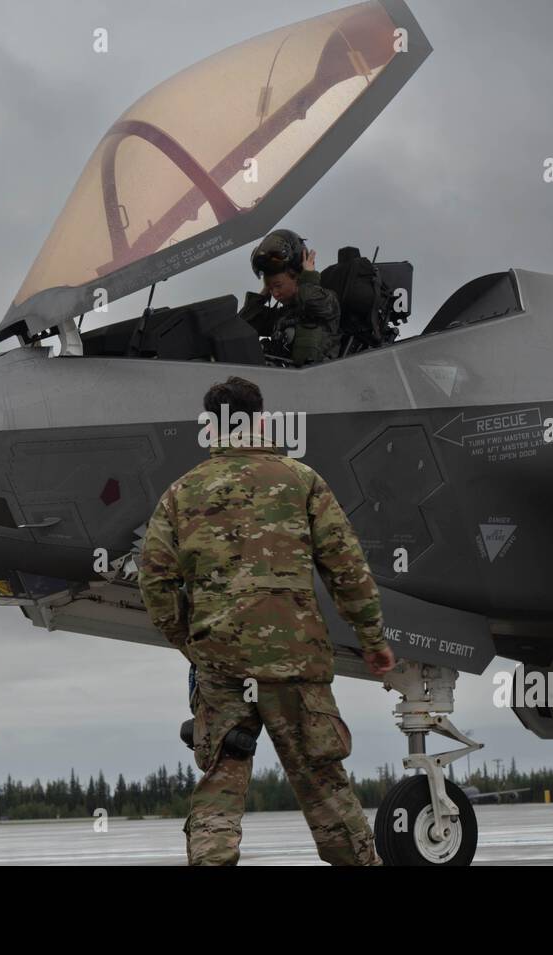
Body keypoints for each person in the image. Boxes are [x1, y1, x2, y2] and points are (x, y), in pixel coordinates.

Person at [137, 375, 396, 866]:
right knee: (323, 783)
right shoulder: (301, 481)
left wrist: (191, 643)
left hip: (220, 664)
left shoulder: (181, 493)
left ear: (211, 427)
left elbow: (154, 582)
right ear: (260, 420)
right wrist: (373, 638)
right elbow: (346, 567)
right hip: (295, 663)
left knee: (221, 780)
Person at [238, 229, 342, 366]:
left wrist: (308, 276)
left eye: (278, 285)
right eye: (270, 288)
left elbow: (313, 302)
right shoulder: (282, 316)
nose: (275, 293)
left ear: (298, 277)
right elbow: (244, 326)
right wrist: (263, 294)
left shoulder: (326, 302)